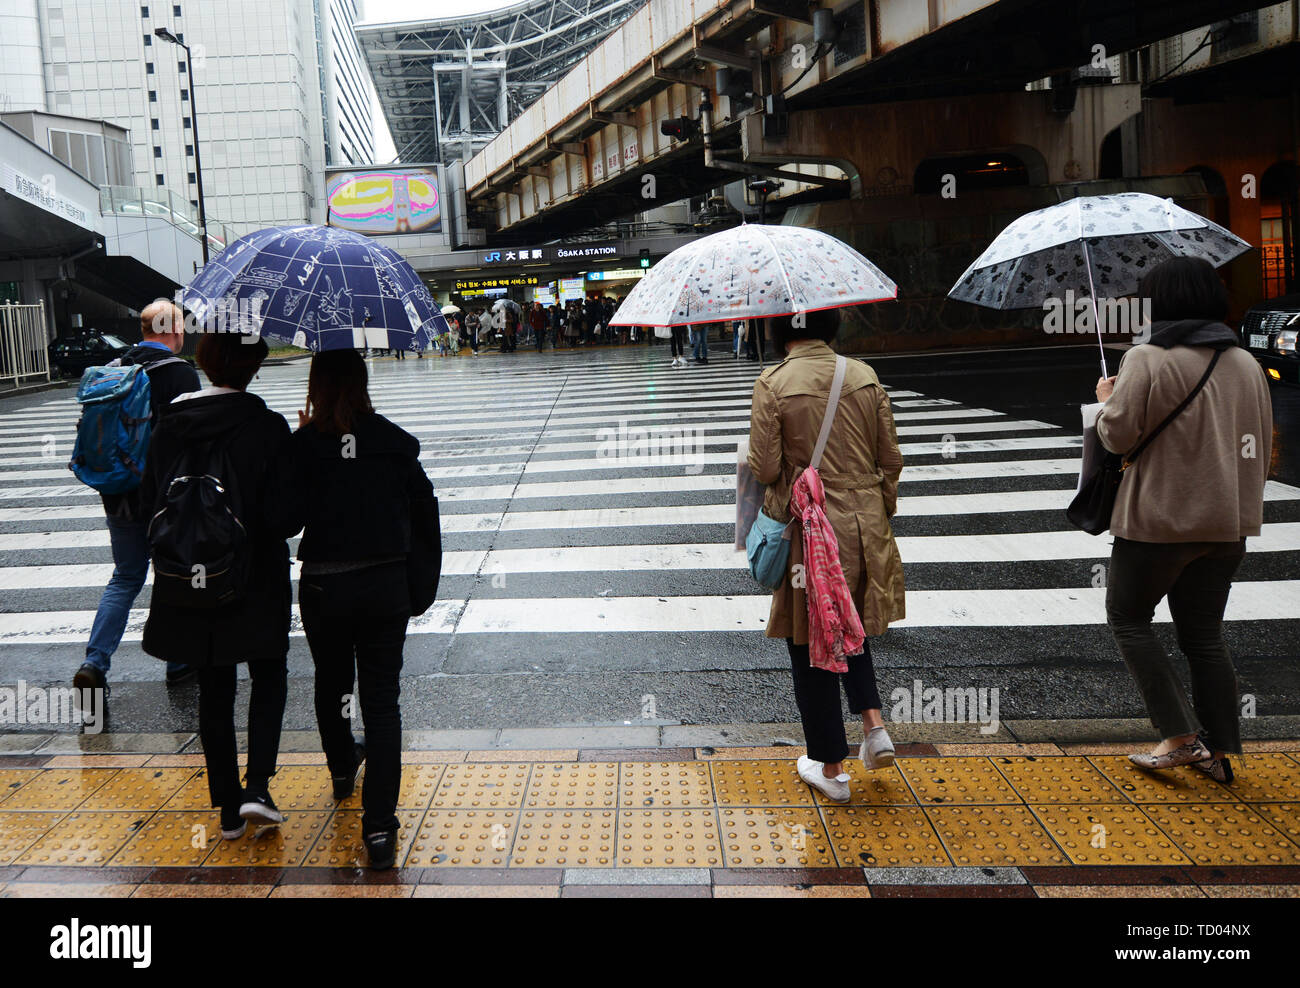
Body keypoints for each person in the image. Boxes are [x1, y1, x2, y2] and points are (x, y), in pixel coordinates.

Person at [1095, 257, 1273, 783]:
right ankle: (1219, 750)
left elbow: (1117, 436)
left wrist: (1106, 401)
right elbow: (1262, 449)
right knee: (1204, 635)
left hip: (1158, 522)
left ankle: (1179, 737)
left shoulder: (1146, 358)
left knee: (1129, 619)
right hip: (1227, 522)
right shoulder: (1244, 362)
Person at [138, 332, 299, 840]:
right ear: (254, 366)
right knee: (268, 674)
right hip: (254, 577)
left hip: (188, 576)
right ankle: (258, 789)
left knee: (213, 685)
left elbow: (150, 503)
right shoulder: (266, 427)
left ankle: (227, 807)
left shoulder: (170, 424)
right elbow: (286, 518)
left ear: (205, 362)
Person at [747, 308, 905, 802]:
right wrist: (877, 516)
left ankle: (831, 769)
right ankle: (873, 726)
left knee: (808, 637)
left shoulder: (773, 384)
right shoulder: (862, 375)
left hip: (810, 530)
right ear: (831, 327)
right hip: (864, 525)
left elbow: (766, 465)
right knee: (848, 623)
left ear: (777, 331)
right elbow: (890, 458)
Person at [291, 348, 436, 869]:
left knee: (331, 683)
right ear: (363, 380)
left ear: (317, 384)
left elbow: (285, 519)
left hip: (325, 591)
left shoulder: (306, 445)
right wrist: (417, 586)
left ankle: (339, 769)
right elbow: (425, 516)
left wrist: (302, 443)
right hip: (384, 589)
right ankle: (379, 829)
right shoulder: (395, 444)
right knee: (382, 703)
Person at [74, 300, 200, 698]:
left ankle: (95, 662)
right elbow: (192, 439)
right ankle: (179, 663)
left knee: (126, 577)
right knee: (173, 575)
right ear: (172, 329)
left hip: (117, 494)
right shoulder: (180, 373)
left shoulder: (114, 370)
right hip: (165, 498)